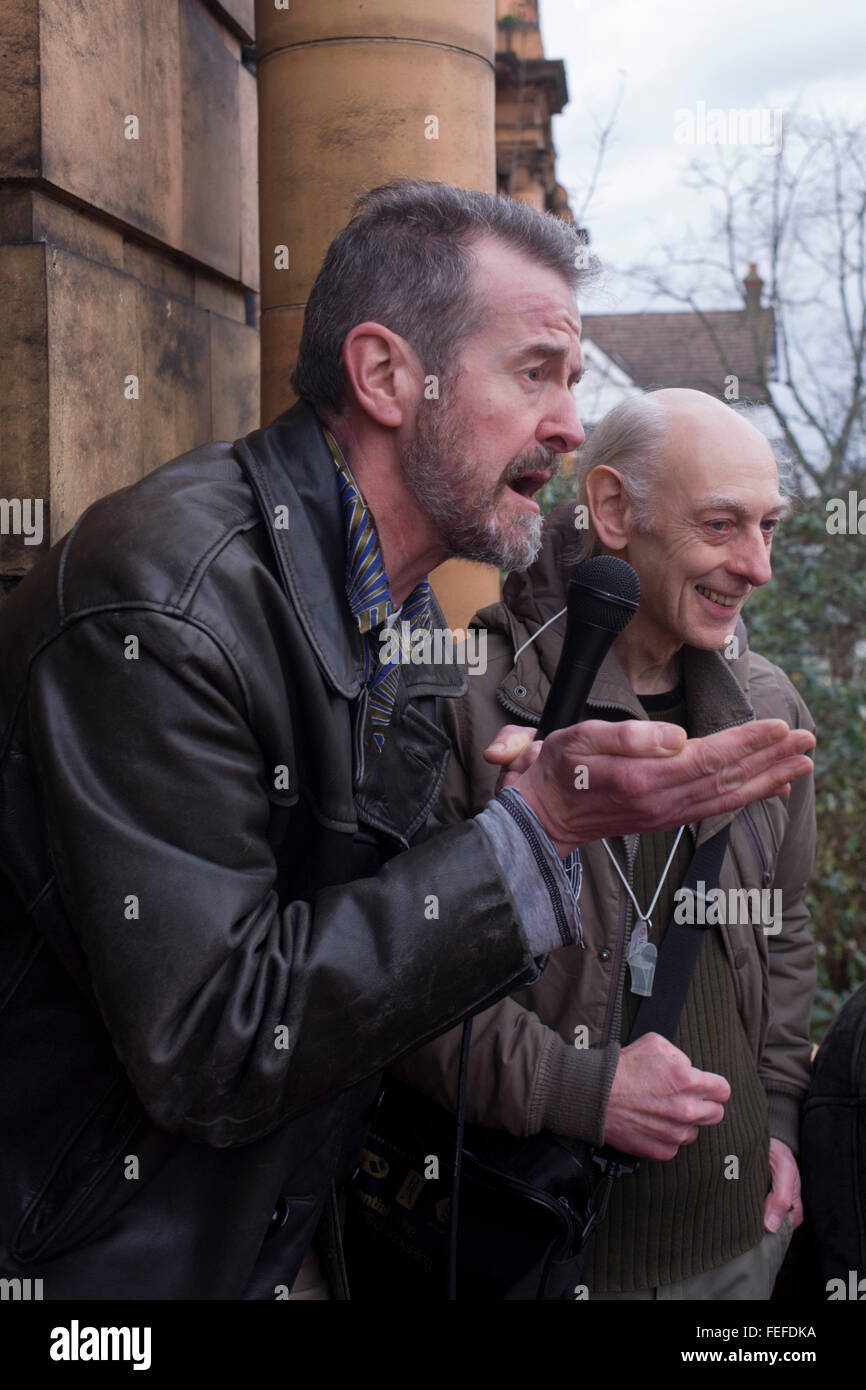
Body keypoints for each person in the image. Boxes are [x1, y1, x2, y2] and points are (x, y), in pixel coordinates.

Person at [0, 184, 814, 1300]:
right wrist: (528, 838)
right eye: (535, 371)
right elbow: (211, 1041)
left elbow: (358, 959)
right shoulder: (164, 602)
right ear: (386, 376)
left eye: (571, 382)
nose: (571, 425)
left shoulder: (400, 615)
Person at [394, 388, 817, 1300]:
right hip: (535, 1249)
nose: (758, 567)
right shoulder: (465, 702)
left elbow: (783, 925)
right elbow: (395, 986)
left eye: (770, 528)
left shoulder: (770, 706)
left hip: (741, 1246)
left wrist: (780, 1117)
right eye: (721, 526)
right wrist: (581, 1089)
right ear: (616, 511)